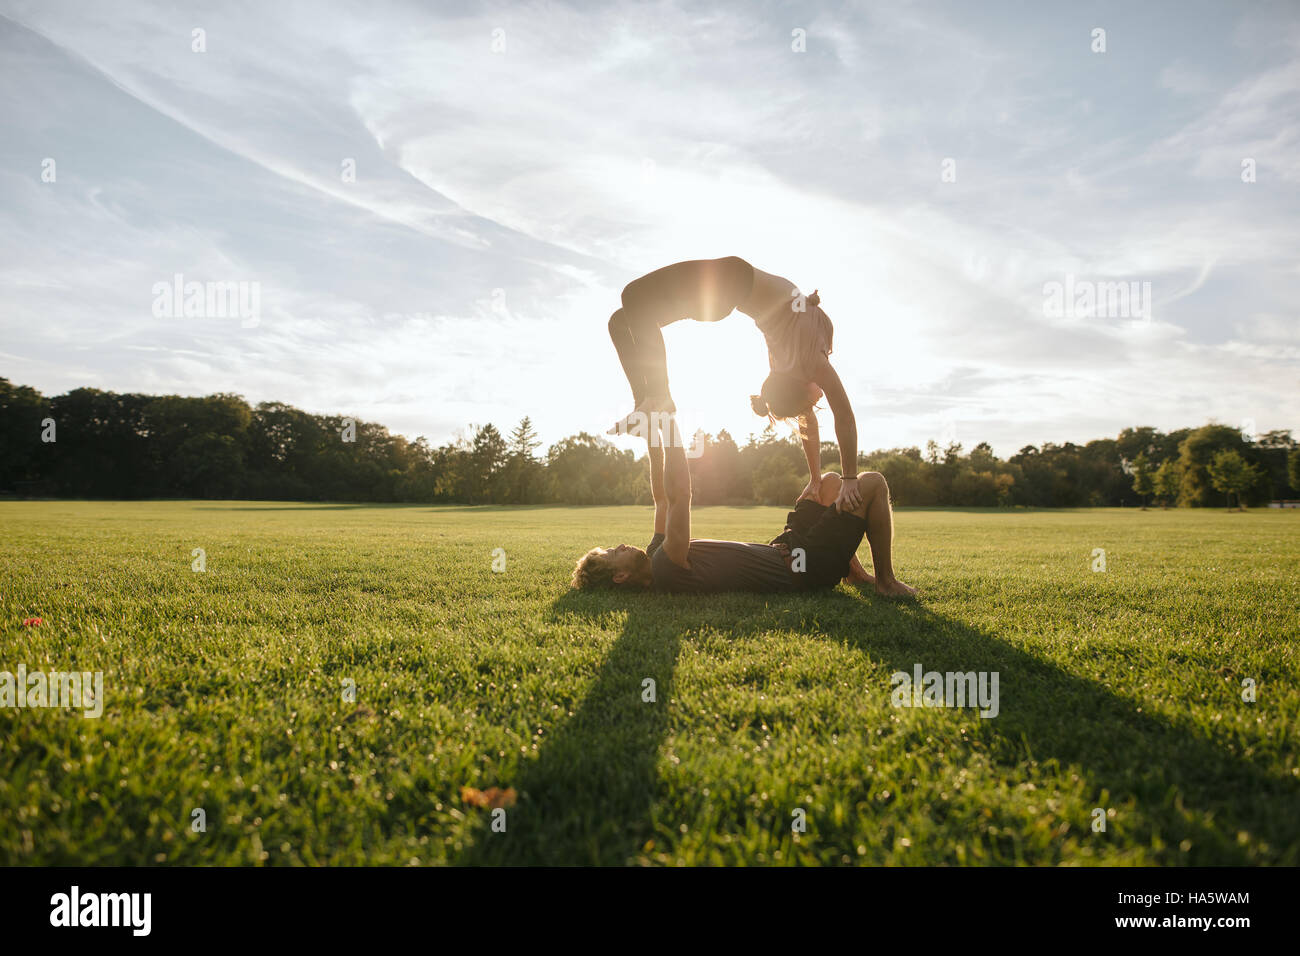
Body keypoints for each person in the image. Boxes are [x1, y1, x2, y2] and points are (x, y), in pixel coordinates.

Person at [606, 256, 864, 513]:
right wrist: (830, 478)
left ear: (799, 386)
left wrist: (837, 479)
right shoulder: (799, 368)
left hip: (728, 282)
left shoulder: (805, 365)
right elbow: (834, 416)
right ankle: (645, 404)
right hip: (726, 292)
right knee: (621, 321)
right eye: (814, 401)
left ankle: (657, 399)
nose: (819, 399)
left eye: (811, 401)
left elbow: (835, 417)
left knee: (633, 295)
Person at [572, 413, 917, 597]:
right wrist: (668, 421)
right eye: (612, 553)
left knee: (827, 483)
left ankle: (855, 575)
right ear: (620, 576)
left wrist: (651, 431)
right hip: (805, 568)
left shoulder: (656, 552)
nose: (619, 545)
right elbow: (680, 496)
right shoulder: (665, 567)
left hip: (787, 548)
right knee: (871, 483)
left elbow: (661, 498)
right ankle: (885, 582)